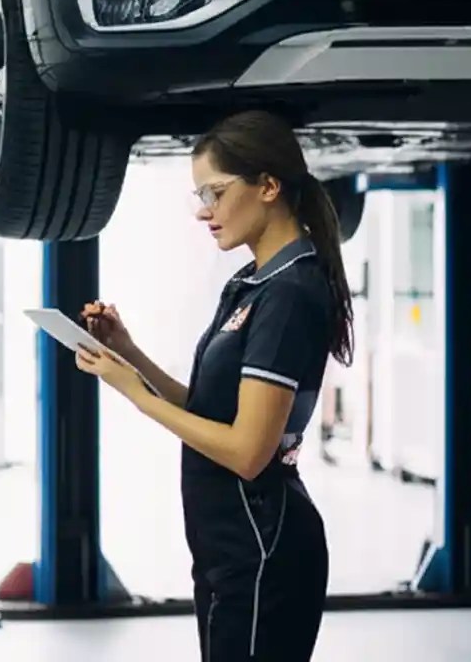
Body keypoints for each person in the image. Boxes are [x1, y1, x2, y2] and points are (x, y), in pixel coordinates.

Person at [76, 110, 353, 661]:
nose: (204, 211)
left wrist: (133, 392)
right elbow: (210, 411)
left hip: (261, 551)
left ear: (269, 186)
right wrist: (129, 354)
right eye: (199, 195)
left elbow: (248, 452)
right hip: (230, 549)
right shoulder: (250, 283)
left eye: (215, 192)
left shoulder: (288, 295)